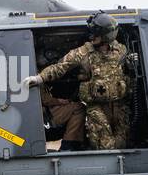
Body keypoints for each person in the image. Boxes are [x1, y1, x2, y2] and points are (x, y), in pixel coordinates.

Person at [25, 12, 134, 151]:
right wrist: (39, 78)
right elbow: (60, 67)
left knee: (123, 142)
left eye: (96, 35)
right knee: (105, 146)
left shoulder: (122, 51)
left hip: (119, 105)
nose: (92, 37)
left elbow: (130, 74)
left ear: (106, 37)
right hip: (97, 107)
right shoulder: (83, 53)